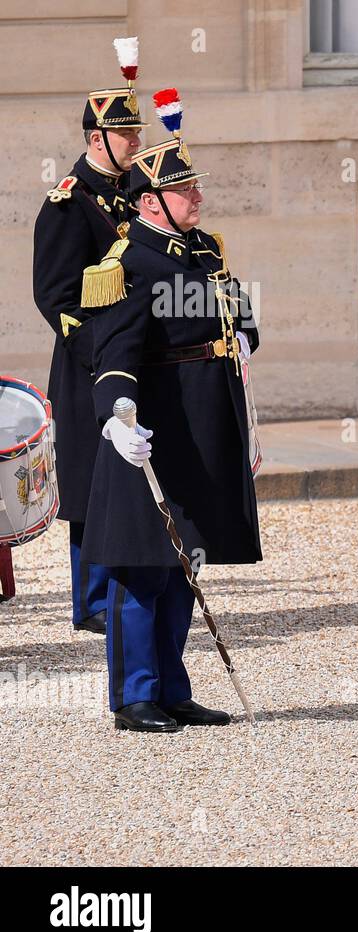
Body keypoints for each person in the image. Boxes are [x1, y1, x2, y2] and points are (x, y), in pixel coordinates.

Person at [80, 88, 261, 733]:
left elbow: (235, 308)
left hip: (204, 427)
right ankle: (135, 694)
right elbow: (114, 350)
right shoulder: (130, 263)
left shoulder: (204, 250)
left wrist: (243, 332)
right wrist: (116, 411)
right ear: (153, 200)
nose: (199, 199)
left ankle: (174, 688)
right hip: (151, 426)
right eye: (187, 192)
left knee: (187, 562)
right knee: (145, 567)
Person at [31, 38, 145, 634]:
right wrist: (99, 352)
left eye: (137, 133)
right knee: (93, 482)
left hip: (139, 358)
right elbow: (54, 295)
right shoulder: (67, 205)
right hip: (90, 363)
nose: (136, 142)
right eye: (127, 135)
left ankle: (130, 589)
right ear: (96, 139)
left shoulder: (137, 195)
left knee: (132, 476)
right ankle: (93, 601)